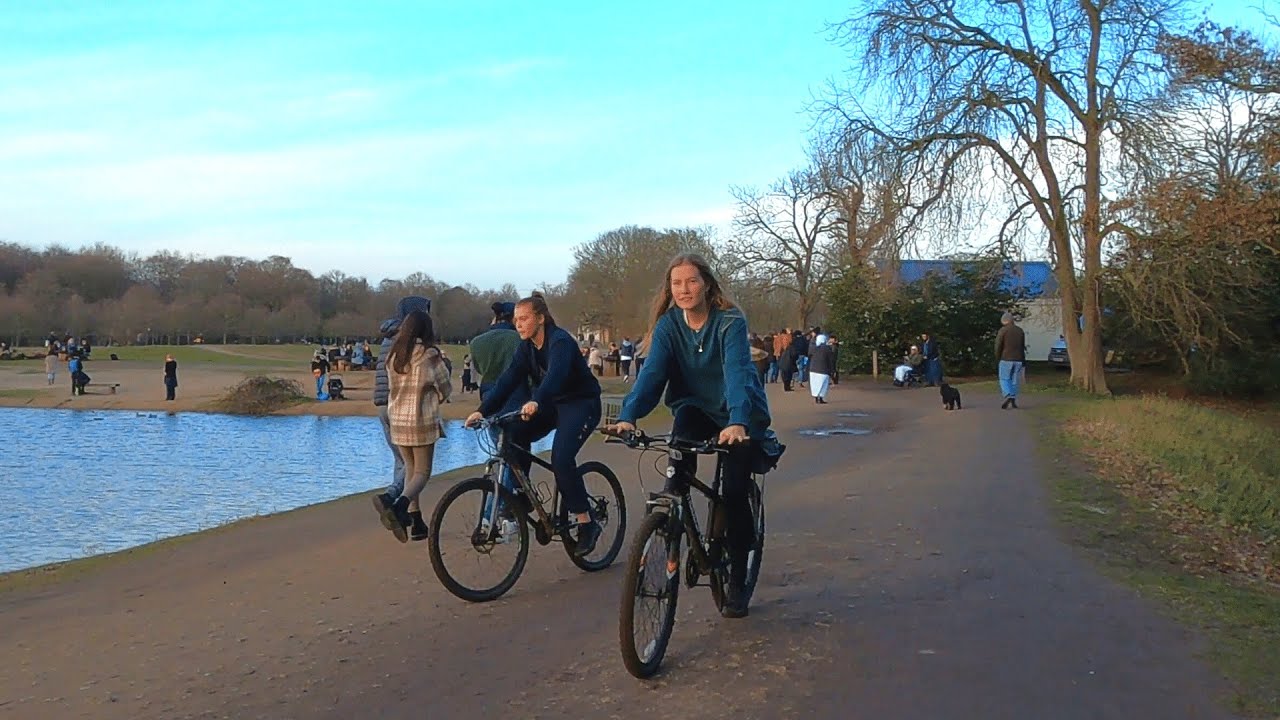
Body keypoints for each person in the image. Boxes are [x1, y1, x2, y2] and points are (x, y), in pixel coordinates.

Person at [605, 253, 772, 619]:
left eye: (692, 281)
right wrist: (628, 417)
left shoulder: (729, 321)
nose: (684, 289)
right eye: (677, 283)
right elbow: (652, 377)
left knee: (732, 490)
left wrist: (739, 421)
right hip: (695, 408)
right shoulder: (668, 326)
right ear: (669, 289)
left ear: (707, 284)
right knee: (675, 474)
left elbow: (737, 374)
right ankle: (672, 531)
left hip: (737, 413)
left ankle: (739, 573)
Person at [465, 293, 605, 558]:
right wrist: (481, 411)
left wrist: (536, 401)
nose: (519, 324)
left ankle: (587, 523)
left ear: (540, 318)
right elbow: (507, 380)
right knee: (514, 432)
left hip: (581, 404)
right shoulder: (526, 347)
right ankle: (522, 494)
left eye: (524, 319)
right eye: (516, 320)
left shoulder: (560, 341)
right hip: (552, 403)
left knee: (561, 459)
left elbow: (555, 377)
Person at [373, 310, 453, 542]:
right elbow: (445, 387)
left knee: (409, 468)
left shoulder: (394, 354)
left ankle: (415, 520)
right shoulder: (428, 355)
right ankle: (400, 506)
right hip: (421, 420)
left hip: (397, 418)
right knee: (422, 473)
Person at [371, 295, 432, 534]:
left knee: (403, 461)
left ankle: (414, 520)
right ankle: (392, 498)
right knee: (417, 467)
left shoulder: (389, 337)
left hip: (383, 404)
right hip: (404, 406)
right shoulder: (411, 340)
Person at [995, 311, 1027, 409]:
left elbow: (998, 345)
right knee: (1015, 380)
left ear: (1004, 321)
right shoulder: (1020, 330)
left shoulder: (1003, 331)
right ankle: (1013, 397)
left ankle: (1008, 394)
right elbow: (1022, 346)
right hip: (1018, 359)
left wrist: (997, 356)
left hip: (1006, 358)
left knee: (1004, 378)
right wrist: (1023, 360)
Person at [808, 335, 835, 404]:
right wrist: (832, 370)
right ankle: (821, 398)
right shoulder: (827, 349)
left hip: (813, 369)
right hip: (823, 369)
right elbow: (830, 360)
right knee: (823, 385)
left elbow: (809, 357)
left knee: (815, 384)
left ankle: (816, 398)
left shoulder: (813, 348)